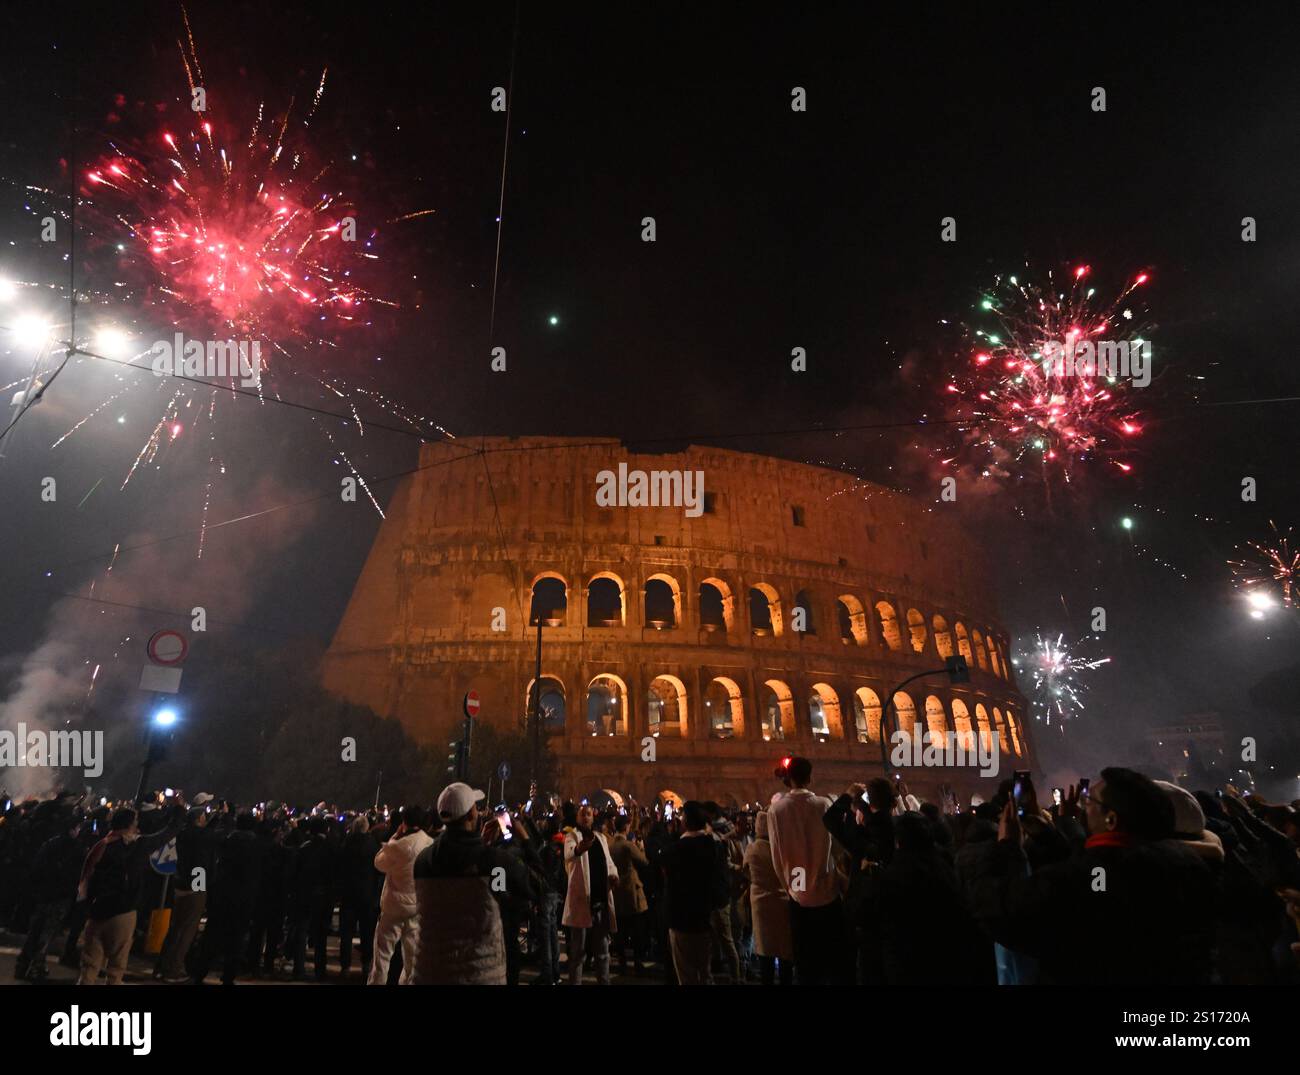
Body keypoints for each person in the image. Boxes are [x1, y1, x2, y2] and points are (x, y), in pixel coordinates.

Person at [967, 766, 1217, 985]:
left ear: (1111, 818)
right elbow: (1093, 870)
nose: (1083, 807)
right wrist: (1054, 832)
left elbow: (1000, 910)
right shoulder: (1188, 863)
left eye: (1090, 802)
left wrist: (1007, 846)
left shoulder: (1096, 874)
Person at [411, 782, 533, 984]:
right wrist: (525, 839)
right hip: (478, 975)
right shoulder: (493, 863)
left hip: (430, 971)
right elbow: (527, 889)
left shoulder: (423, 860)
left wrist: (481, 845)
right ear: (471, 815)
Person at [766, 756, 851, 984]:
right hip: (827, 892)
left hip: (798, 893)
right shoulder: (824, 805)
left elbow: (777, 856)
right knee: (833, 962)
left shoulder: (776, 810)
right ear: (810, 777)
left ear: (788, 780)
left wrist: (792, 889)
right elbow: (837, 850)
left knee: (805, 965)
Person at [77, 804, 183, 985]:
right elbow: (165, 835)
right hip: (123, 912)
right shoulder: (137, 845)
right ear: (128, 826)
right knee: (116, 968)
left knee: (89, 966)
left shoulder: (101, 845)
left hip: (97, 911)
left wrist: (86, 908)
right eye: (135, 823)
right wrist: (177, 813)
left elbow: (85, 879)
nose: (138, 827)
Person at [189, 812, 265, 985]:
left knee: (211, 936)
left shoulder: (225, 842)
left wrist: (203, 888)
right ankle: (228, 976)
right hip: (244, 899)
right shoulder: (257, 847)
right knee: (236, 939)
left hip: (221, 895)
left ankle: (199, 972)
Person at [661, 800, 724, 984]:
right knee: (705, 973)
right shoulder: (713, 846)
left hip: (681, 920)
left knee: (686, 975)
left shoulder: (676, 850)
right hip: (705, 917)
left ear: (686, 821)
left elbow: (664, 861)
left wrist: (672, 835)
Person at [368, 804, 433, 985]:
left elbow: (379, 863)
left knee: (382, 957)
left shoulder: (398, 846)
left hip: (393, 906)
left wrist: (394, 837)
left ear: (404, 822)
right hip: (416, 906)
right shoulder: (429, 844)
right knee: (412, 960)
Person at [16, 808, 83, 983]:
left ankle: (22, 965)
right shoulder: (75, 847)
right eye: (77, 828)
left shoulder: (49, 844)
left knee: (35, 931)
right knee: (47, 934)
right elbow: (76, 874)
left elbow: (36, 869)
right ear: (71, 829)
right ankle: (36, 968)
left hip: (43, 895)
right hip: (59, 897)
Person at [155, 806, 217, 982]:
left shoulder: (182, 834)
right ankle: (174, 969)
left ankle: (162, 965)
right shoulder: (202, 836)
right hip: (196, 883)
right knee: (187, 930)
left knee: (175, 928)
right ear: (199, 819)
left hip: (180, 882)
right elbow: (211, 836)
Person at [562, 803, 619, 985]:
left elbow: (609, 862)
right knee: (578, 952)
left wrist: (613, 875)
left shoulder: (601, 838)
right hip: (581, 900)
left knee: (603, 951)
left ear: (593, 817)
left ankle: (605, 981)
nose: (585, 817)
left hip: (600, 900)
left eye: (588, 814)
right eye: (582, 814)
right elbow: (569, 854)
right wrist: (581, 848)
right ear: (577, 818)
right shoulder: (572, 836)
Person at [743, 810, 792, 985]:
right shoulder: (783, 847)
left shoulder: (752, 848)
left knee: (765, 952)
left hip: (760, 905)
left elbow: (745, 871)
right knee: (786, 952)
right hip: (783, 901)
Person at [609, 814, 649, 975]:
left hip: (617, 891)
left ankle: (622, 961)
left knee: (621, 929)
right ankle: (638, 962)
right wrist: (640, 847)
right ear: (626, 826)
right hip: (632, 891)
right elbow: (644, 861)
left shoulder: (610, 844)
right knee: (636, 928)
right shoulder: (627, 845)